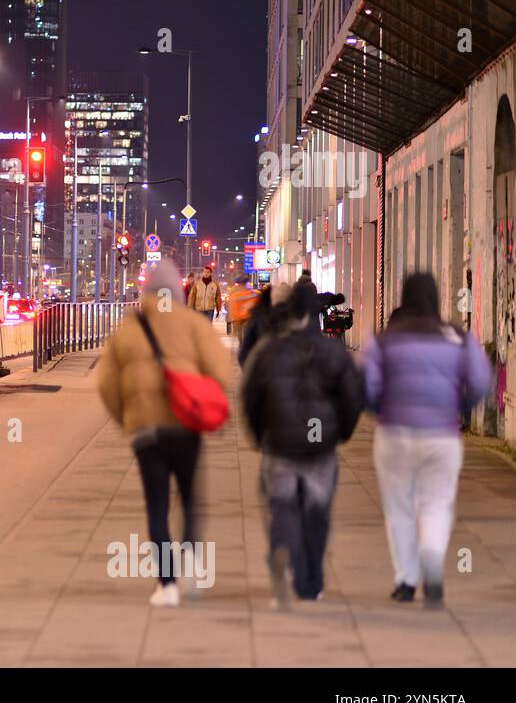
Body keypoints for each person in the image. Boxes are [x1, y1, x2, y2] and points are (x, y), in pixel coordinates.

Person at [96, 260, 233, 607]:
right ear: (178, 290)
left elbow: (107, 383)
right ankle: (190, 570)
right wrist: (201, 400)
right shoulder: (191, 324)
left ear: (146, 291)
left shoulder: (130, 327)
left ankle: (167, 585)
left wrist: (127, 417)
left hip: (147, 431)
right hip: (186, 426)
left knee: (156, 504)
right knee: (189, 499)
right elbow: (221, 371)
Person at [362, 273, 491, 609]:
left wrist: (381, 409)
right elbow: (480, 380)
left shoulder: (386, 339)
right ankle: (432, 561)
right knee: (436, 503)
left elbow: (367, 386)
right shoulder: (457, 338)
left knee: (399, 506)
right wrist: (459, 408)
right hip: (442, 435)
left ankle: (406, 580)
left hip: (395, 434)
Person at [243, 281, 364, 607]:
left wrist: (259, 435)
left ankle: (284, 568)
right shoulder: (333, 351)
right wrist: (341, 433)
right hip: (320, 449)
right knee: (316, 513)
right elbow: (353, 398)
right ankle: (312, 583)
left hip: (279, 447)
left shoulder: (268, 350)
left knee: (282, 509)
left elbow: (250, 396)